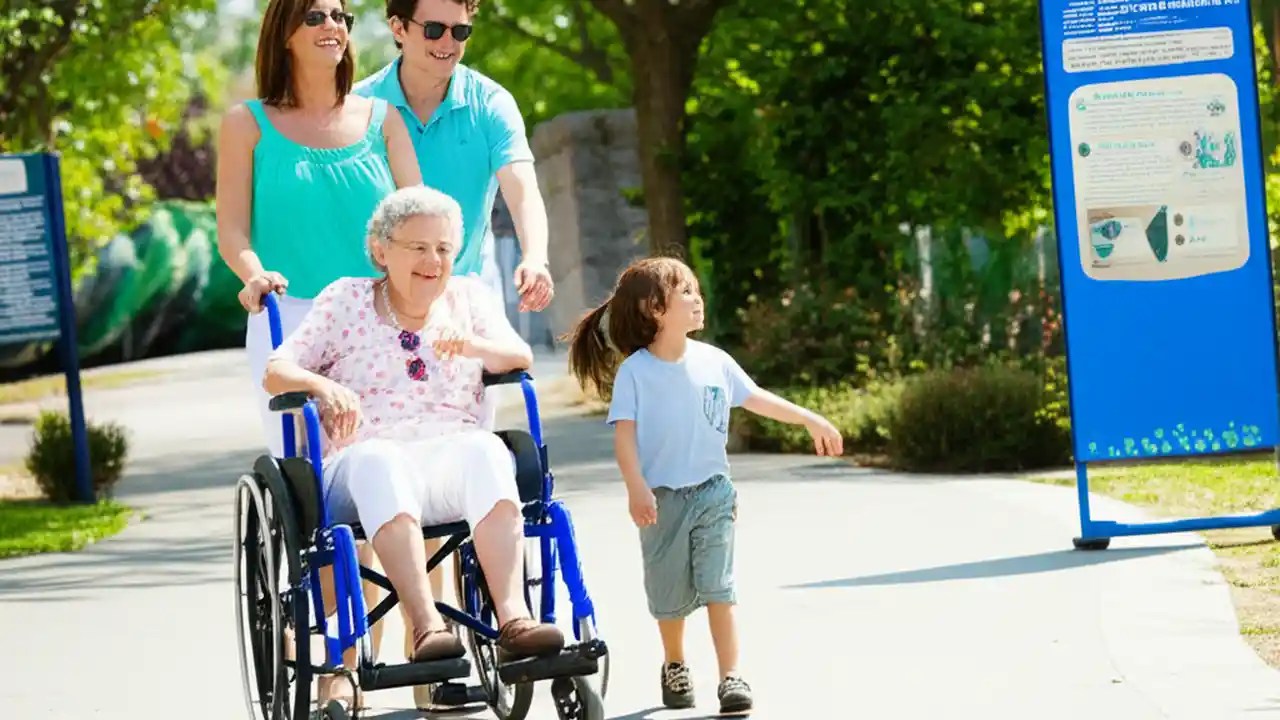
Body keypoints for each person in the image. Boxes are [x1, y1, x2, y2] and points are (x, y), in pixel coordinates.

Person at [262, 185, 566, 712]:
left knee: (487, 451)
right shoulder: (345, 299)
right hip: (362, 459)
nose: (434, 261)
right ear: (381, 250)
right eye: (418, 247)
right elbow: (277, 371)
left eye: (444, 248)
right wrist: (324, 386)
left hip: (445, 451)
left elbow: (519, 357)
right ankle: (426, 625)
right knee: (384, 463)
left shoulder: (468, 297)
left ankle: (514, 617)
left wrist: (472, 346)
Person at [566, 257, 845, 715]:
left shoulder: (715, 360)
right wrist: (636, 487)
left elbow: (755, 398)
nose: (699, 300)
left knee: (720, 586)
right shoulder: (637, 372)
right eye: (687, 293)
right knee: (669, 595)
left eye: (696, 291)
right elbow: (624, 439)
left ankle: (731, 677)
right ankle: (675, 662)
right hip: (663, 500)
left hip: (714, 492)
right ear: (655, 309)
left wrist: (809, 418)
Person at [215, 0, 422, 459]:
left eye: (338, 16)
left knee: (400, 455)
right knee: (312, 474)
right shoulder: (246, 124)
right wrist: (254, 275)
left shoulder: (384, 120)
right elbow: (231, 231)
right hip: (289, 319)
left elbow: (418, 218)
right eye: (314, 17)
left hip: (380, 316)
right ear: (284, 34)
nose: (331, 26)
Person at [353, 0, 554, 314]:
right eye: (434, 30)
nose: (448, 43)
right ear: (398, 28)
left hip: (466, 294)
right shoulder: (359, 105)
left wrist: (534, 257)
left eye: (460, 31)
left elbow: (523, 192)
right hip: (375, 300)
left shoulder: (492, 104)